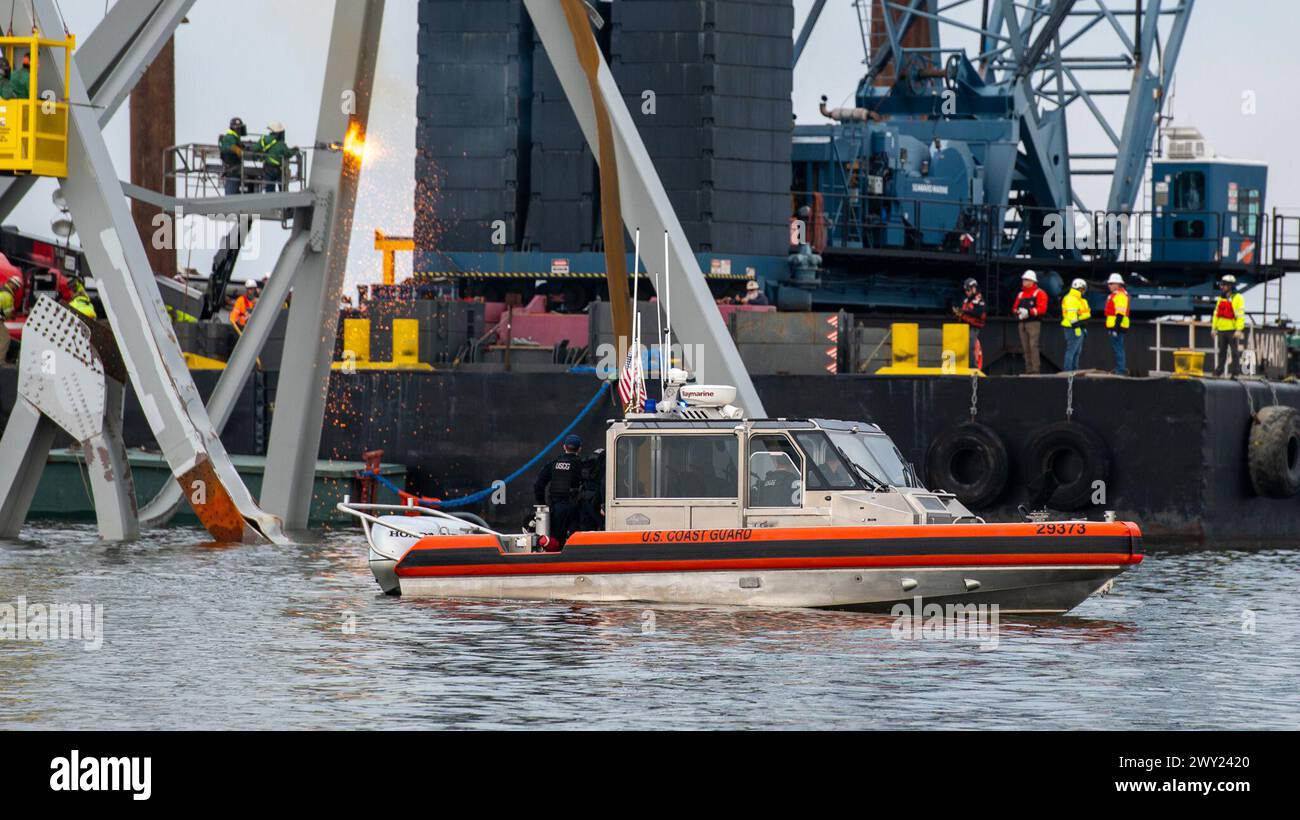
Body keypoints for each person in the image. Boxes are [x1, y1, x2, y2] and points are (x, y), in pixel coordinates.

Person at [534, 434, 584, 544]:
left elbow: (538, 484)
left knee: (556, 541)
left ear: (564, 447)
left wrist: (542, 503)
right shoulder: (582, 464)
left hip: (557, 508)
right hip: (575, 507)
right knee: (576, 540)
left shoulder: (553, 464)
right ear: (579, 449)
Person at [1014, 270, 1048, 374]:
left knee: (1033, 346)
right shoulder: (1020, 294)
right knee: (1025, 347)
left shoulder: (1040, 293)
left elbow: (1042, 309)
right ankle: (1028, 369)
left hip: (1033, 323)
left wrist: (1029, 312)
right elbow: (1014, 307)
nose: (1023, 281)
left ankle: (1035, 369)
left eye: (1026, 280)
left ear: (1032, 281)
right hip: (1022, 324)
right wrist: (1018, 312)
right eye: (1023, 279)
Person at [1213, 274, 1247, 377]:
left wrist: (1239, 329)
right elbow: (1216, 314)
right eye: (1221, 285)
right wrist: (1214, 328)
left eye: (1224, 285)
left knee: (1234, 352)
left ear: (1230, 286)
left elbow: (1240, 315)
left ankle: (1235, 372)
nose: (1222, 287)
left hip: (1232, 330)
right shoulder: (1221, 299)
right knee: (1222, 352)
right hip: (1222, 330)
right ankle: (1219, 371)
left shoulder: (1238, 298)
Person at [952, 277, 986, 369]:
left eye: (968, 290)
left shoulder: (979, 299)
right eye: (966, 290)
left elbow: (978, 312)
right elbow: (963, 313)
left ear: (974, 288)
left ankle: (973, 366)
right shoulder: (966, 300)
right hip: (964, 327)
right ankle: (961, 364)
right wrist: (958, 313)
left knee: (971, 344)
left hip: (974, 327)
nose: (967, 292)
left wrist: (963, 312)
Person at [1061, 278, 1091, 372]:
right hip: (1073, 328)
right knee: (1072, 350)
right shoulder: (1071, 298)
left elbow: (1084, 313)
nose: (1084, 291)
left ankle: (1075, 369)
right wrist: (1077, 328)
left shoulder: (1080, 299)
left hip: (1080, 327)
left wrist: (1083, 327)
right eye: (1083, 289)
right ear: (1079, 288)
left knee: (1077, 351)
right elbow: (1071, 315)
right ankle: (1068, 370)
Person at [1104, 273, 1130, 375]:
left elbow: (1120, 313)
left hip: (1117, 327)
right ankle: (1120, 368)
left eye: (1111, 283)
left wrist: (1115, 328)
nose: (1109, 286)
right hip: (1115, 326)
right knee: (1117, 348)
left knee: (1118, 348)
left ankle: (1121, 370)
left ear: (1117, 284)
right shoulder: (1116, 295)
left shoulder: (1120, 296)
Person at [258, 122, 296, 192]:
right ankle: (281, 199)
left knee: (269, 188)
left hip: (267, 168)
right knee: (282, 187)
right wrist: (295, 150)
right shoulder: (281, 144)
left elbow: (255, 148)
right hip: (277, 169)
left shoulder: (264, 139)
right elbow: (288, 153)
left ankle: (269, 199)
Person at [219, 117, 249, 196]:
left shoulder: (234, 137)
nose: (240, 130)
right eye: (239, 128)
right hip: (232, 169)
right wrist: (240, 150)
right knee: (231, 193)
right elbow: (233, 149)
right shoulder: (230, 137)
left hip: (234, 169)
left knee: (234, 189)